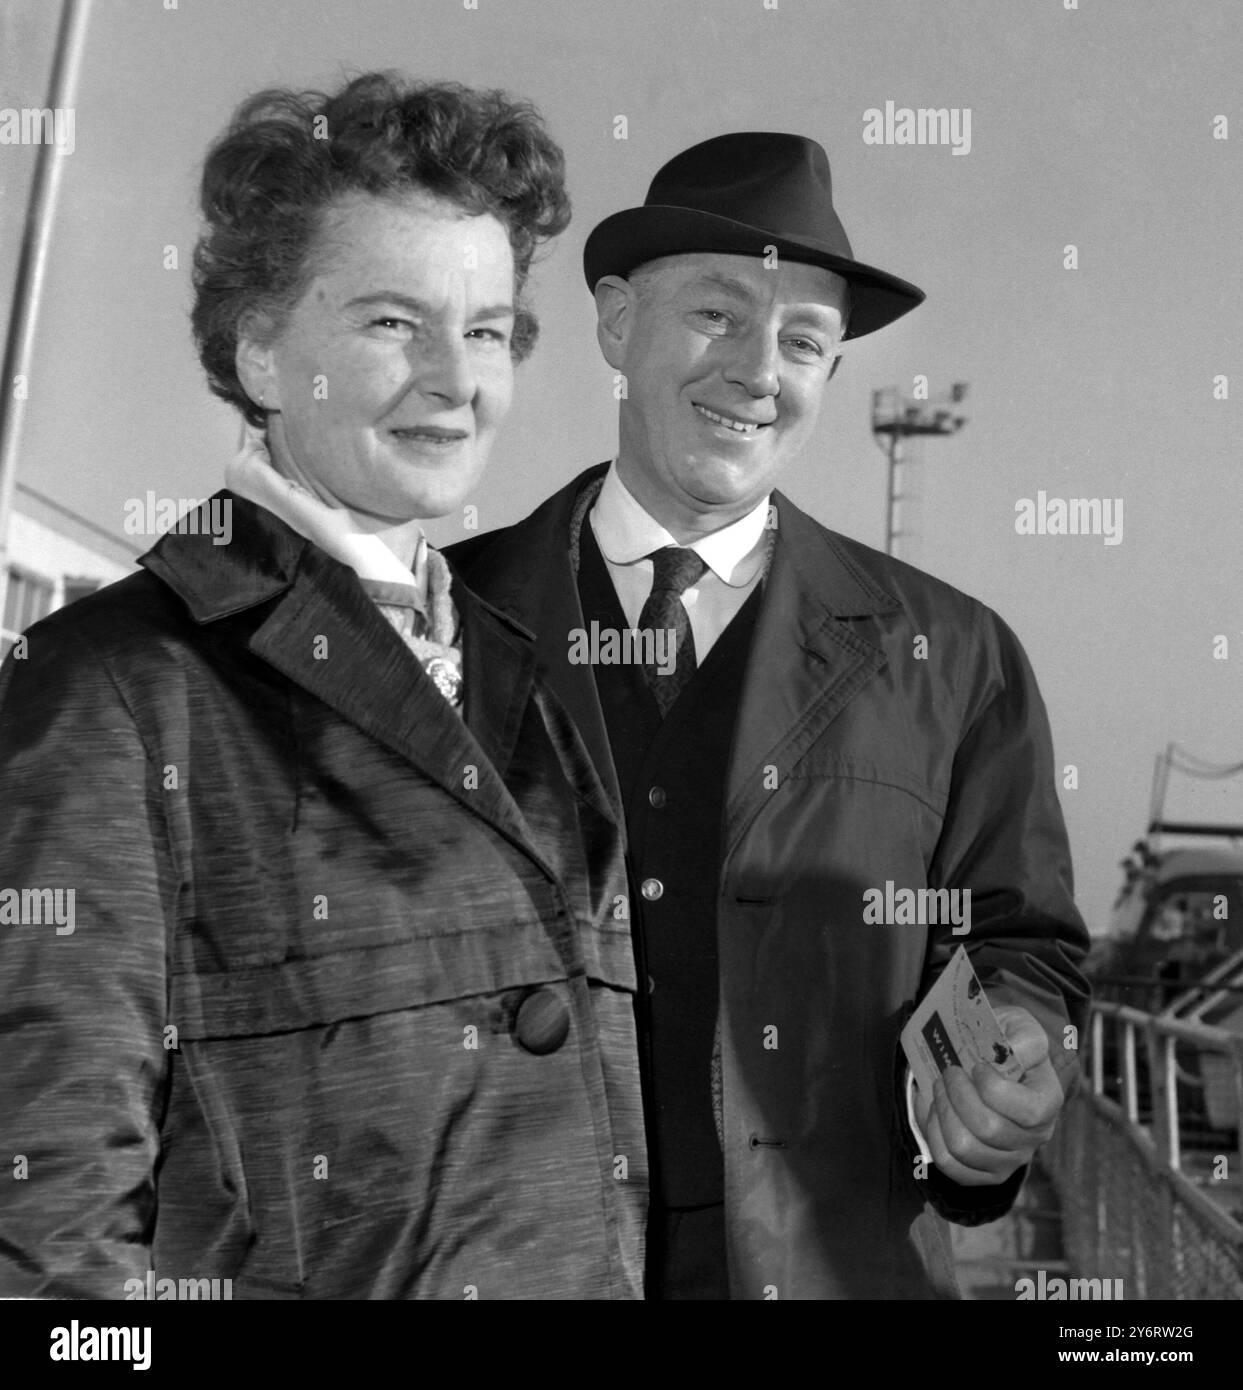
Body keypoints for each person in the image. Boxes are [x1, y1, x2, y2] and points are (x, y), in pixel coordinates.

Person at [0, 73, 645, 1300]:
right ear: (258, 348)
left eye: (490, 329)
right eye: (393, 324)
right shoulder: (117, 690)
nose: (459, 381)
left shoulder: (523, 676)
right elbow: (48, 1233)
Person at [447, 131, 1092, 1299]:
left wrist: (1011, 1068)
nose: (759, 371)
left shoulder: (955, 658)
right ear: (614, 323)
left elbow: (1020, 944)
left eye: (803, 340)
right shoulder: (432, 624)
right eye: (717, 314)